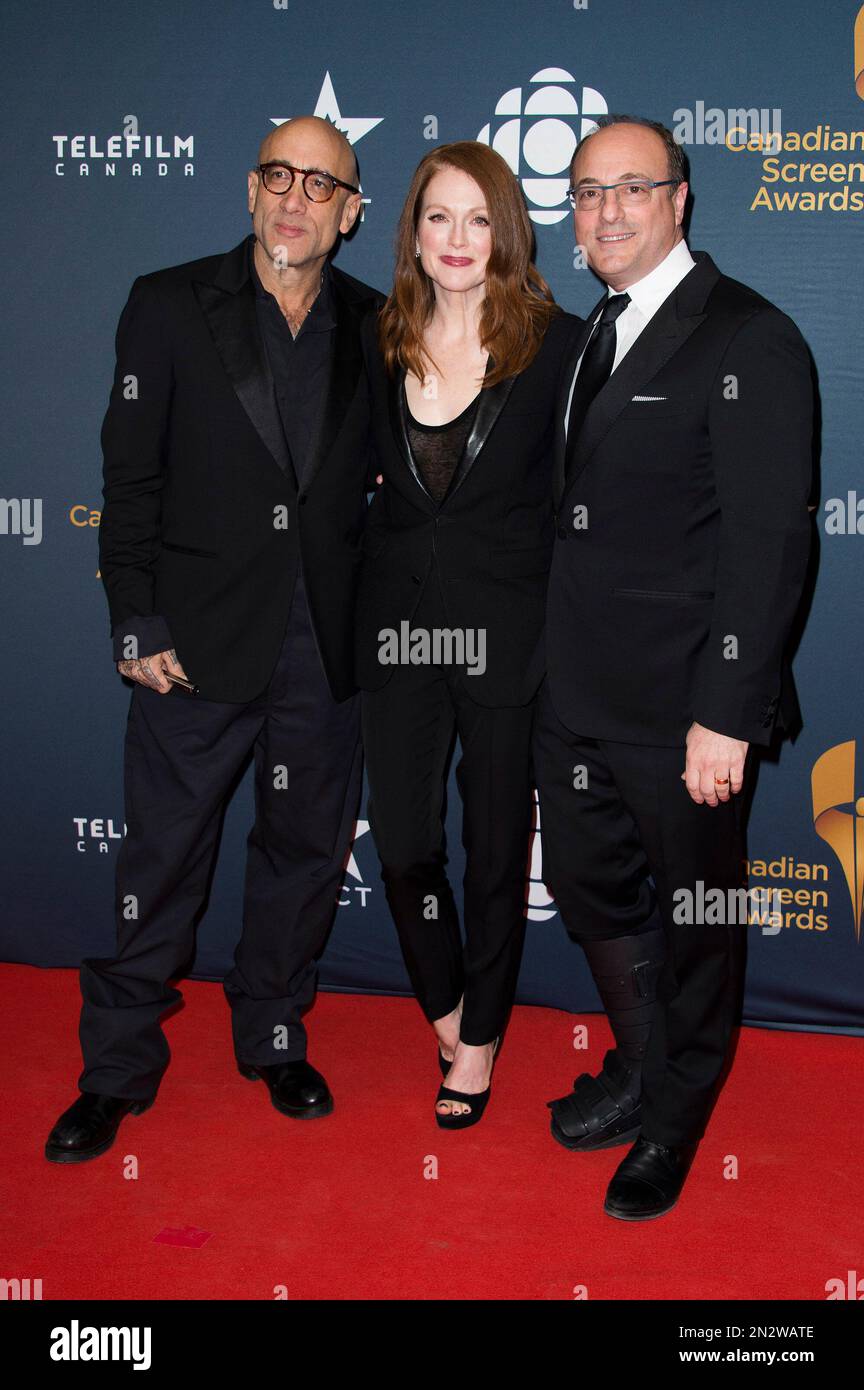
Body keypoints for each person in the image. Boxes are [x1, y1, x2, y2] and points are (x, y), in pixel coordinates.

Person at [45, 116, 384, 1164]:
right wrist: (134, 619)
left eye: (321, 184)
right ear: (249, 189)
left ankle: (275, 1033)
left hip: (324, 646)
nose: (296, 196)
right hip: (191, 643)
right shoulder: (167, 302)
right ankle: (114, 1068)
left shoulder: (379, 322)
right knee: (162, 857)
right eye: (279, 174)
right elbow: (128, 477)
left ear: (351, 212)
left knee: (301, 857)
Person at [534, 115, 813, 1217]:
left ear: (680, 199)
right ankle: (642, 1063)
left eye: (631, 189)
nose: (605, 212)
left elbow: (768, 542)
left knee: (696, 915)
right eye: (587, 192)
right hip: (574, 692)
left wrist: (726, 715)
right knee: (600, 895)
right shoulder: (585, 333)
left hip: (686, 705)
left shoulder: (749, 337)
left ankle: (676, 1116)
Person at [356, 141, 582, 1128]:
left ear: (506, 230)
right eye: (436, 217)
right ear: (412, 230)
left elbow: (588, 504)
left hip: (507, 639)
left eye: (476, 217)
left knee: (496, 852)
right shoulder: (376, 340)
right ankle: (448, 1005)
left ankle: (480, 1043)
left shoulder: (559, 345)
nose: (455, 238)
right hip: (401, 640)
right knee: (406, 847)